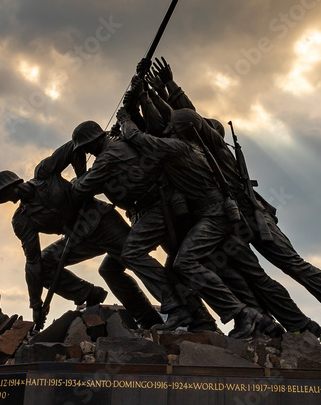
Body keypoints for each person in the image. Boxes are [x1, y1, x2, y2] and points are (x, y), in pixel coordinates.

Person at [144, 57, 321, 335]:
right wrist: (153, 92)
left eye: (177, 131)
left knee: (294, 266)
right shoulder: (196, 149)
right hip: (232, 222)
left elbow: (188, 116)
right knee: (258, 279)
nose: (171, 133)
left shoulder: (213, 146)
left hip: (253, 216)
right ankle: (299, 327)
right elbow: (178, 121)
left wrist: (170, 87)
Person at [116, 107, 280, 339]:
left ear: (178, 129)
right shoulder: (193, 147)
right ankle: (224, 319)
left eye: (171, 124)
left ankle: (243, 314)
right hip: (212, 215)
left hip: (214, 216)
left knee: (185, 263)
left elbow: (139, 138)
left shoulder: (179, 148)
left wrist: (125, 119)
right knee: (188, 269)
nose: (167, 126)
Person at [0, 139, 161, 330]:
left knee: (133, 258)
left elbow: (75, 147)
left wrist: (82, 182)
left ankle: (177, 307)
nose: (6, 200)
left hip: (102, 222)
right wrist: (36, 304)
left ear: (10, 186)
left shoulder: (44, 173)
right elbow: (33, 262)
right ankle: (90, 294)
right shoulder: (22, 220)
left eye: (2, 196)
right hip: (78, 238)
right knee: (46, 262)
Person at [69, 119, 217, 332]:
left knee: (132, 253)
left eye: (84, 149)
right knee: (110, 268)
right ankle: (152, 319)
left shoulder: (109, 156)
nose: (85, 152)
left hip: (158, 208)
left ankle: (177, 309)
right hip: (144, 212)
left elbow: (80, 189)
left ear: (91, 143)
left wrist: (78, 173)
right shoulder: (111, 151)